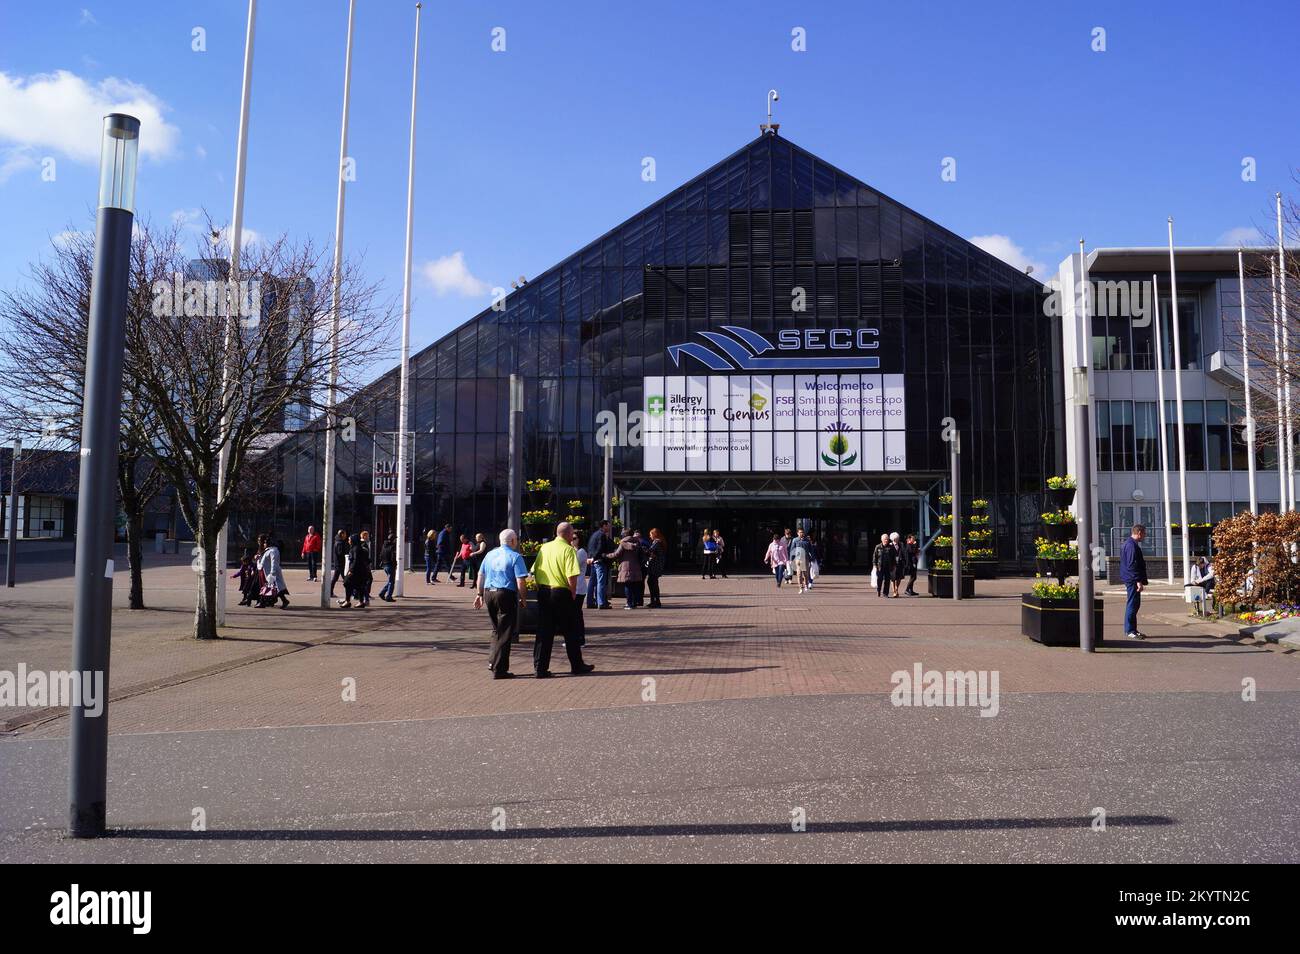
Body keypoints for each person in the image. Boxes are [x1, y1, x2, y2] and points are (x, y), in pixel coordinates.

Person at [532, 522, 594, 677]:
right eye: (572, 535)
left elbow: (535, 570)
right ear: (568, 534)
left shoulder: (544, 548)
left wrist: (540, 587)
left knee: (544, 631)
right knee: (570, 631)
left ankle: (540, 668)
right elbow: (571, 575)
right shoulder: (568, 550)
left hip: (545, 592)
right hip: (561, 592)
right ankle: (577, 666)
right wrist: (573, 593)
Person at [473, 529, 529, 679]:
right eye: (516, 539)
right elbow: (520, 580)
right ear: (512, 541)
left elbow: (480, 575)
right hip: (505, 593)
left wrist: (479, 594)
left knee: (496, 629)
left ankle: (492, 661)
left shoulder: (490, 554)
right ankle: (500, 669)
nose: (516, 541)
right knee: (505, 632)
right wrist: (523, 598)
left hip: (488, 592)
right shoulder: (515, 557)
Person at [1120, 523, 1149, 639]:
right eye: (1144, 534)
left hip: (1129, 578)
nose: (1145, 536)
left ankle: (1133, 629)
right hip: (1132, 580)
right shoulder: (1132, 546)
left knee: (1134, 604)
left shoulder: (1128, 544)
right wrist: (1138, 580)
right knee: (1133, 604)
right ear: (1139, 533)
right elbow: (1132, 564)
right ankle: (1130, 630)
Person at [585, 520, 616, 610]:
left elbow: (591, 547)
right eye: (608, 526)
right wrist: (594, 558)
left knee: (592, 582)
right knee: (601, 582)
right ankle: (601, 602)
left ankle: (590, 602)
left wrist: (590, 558)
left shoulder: (594, 535)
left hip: (593, 561)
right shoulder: (602, 535)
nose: (609, 528)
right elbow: (599, 548)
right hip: (599, 561)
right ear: (603, 526)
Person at [569, 533, 591, 648]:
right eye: (571, 538)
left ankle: (580, 639)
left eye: (574, 539)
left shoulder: (581, 552)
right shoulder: (572, 551)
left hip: (579, 587)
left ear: (579, 540)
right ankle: (573, 639)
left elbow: (572, 565)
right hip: (573, 587)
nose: (572, 541)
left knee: (576, 614)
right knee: (572, 614)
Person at [616, 528, 646, 608]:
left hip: (626, 567)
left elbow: (617, 554)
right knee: (635, 586)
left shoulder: (623, 543)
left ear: (625, 534)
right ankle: (634, 602)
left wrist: (606, 555)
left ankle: (629, 603)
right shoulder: (637, 542)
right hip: (636, 567)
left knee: (628, 586)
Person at [341, 532, 372, 609]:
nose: (348, 541)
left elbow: (356, 560)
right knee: (359, 586)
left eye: (349, 539)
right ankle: (361, 602)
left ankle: (348, 601)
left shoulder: (356, 549)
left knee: (346, 583)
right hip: (360, 571)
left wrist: (351, 570)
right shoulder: (356, 548)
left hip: (356, 571)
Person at [257, 536, 290, 609]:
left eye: (265, 543)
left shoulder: (273, 551)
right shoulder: (269, 550)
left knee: (272, 588)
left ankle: (263, 602)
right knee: (272, 588)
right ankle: (283, 601)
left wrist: (272, 573)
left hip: (271, 573)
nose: (264, 544)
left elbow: (273, 563)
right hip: (267, 572)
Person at [645, 528, 666, 608]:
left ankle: (654, 601)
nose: (650, 536)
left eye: (650, 534)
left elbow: (649, 551)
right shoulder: (660, 541)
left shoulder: (657, 542)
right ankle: (656, 600)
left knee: (651, 582)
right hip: (658, 565)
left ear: (654, 534)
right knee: (653, 582)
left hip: (655, 565)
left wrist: (643, 550)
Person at [788, 526, 813, 593]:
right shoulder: (795, 540)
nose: (801, 533)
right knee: (799, 574)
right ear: (797, 533)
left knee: (805, 574)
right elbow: (792, 550)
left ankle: (806, 586)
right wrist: (791, 559)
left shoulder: (807, 540)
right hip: (798, 559)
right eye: (800, 532)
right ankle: (800, 588)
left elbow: (811, 550)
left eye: (802, 532)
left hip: (806, 559)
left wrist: (812, 558)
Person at [377, 532, 398, 602]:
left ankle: (382, 593)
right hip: (390, 565)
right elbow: (393, 557)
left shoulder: (384, 546)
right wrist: (395, 565)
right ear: (393, 539)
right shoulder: (392, 547)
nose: (396, 540)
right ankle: (389, 596)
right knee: (391, 582)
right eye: (395, 539)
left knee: (390, 581)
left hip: (385, 565)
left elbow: (380, 555)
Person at [329, 529, 348, 598]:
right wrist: (346, 555)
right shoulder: (340, 543)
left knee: (335, 578)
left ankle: (330, 592)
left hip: (338, 563)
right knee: (346, 579)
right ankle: (350, 593)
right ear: (342, 534)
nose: (346, 535)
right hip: (340, 563)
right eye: (345, 534)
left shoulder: (338, 541)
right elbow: (340, 553)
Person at [878, 534, 898, 598]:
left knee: (887, 580)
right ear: (882, 540)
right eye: (885, 539)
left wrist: (894, 565)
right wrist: (874, 565)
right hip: (880, 566)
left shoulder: (891, 547)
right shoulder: (878, 547)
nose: (886, 540)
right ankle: (878, 590)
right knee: (880, 579)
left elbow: (894, 557)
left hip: (888, 566)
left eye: (887, 539)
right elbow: (875, 557)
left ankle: (885, 593)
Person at [889, 532, 908, 597]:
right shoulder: (890, 545)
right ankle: (894, 591)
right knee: (893, 578)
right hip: (892, 564)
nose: (897, 540)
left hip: (900, 564)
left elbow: (904, 553)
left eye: (897, 538)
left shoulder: (901, 544)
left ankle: (897, 588)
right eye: (896, 539)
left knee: (899, 577)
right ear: (893, 539)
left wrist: (905, 562)